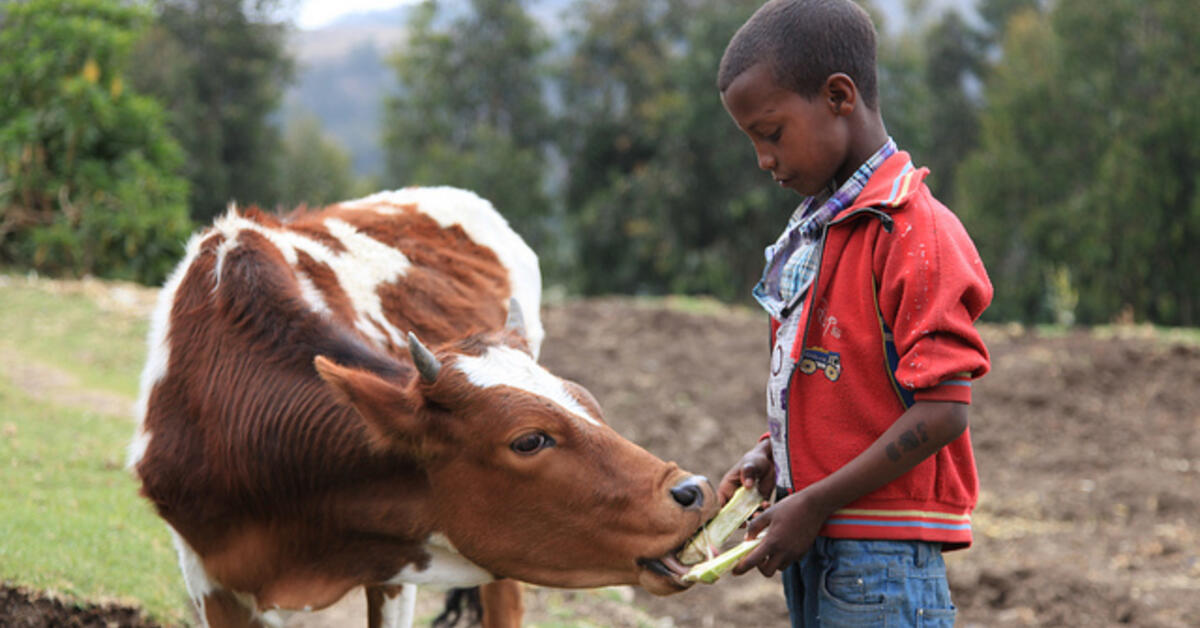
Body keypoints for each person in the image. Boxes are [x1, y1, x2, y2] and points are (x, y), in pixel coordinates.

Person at [714, 1, 993, 625]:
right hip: (819, 540)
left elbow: (944, 410)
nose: (764, 159)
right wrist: (773, 455)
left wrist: (814, 502)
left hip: (882, 555)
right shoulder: (822, 231)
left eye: (772, 132)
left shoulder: (913, 232)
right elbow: (844, 388)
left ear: (839, 95)